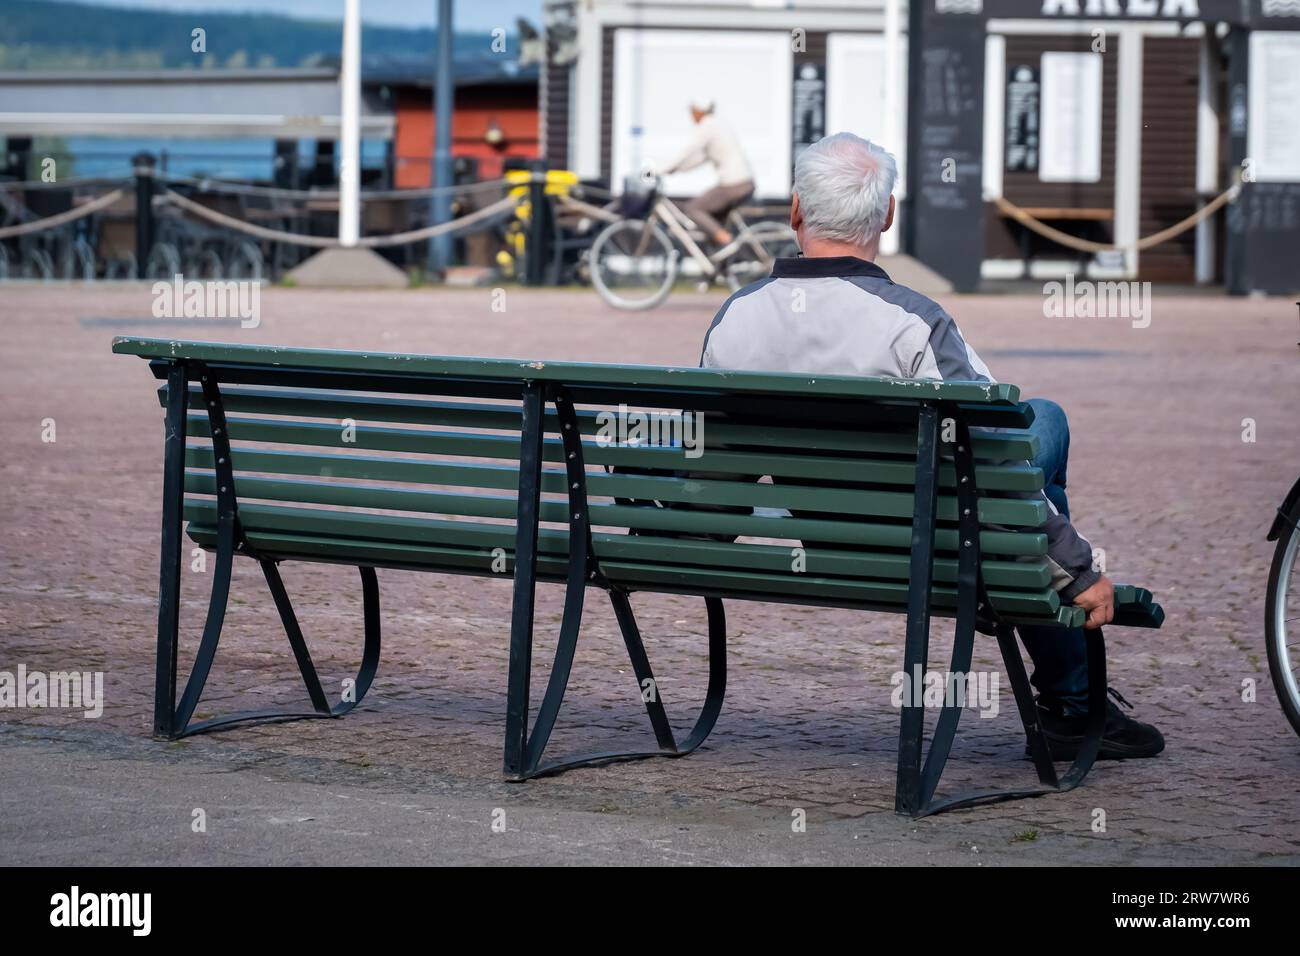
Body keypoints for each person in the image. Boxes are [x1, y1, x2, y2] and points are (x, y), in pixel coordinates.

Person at [699, 131, 1164, 761]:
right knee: (1042, 425)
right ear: (887, 215)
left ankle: (1072, 701)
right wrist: (1078, 569)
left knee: (1036, 432)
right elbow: (997, 455)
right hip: (928, 550)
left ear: (795, 212)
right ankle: (1071, 704)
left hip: (828, 544)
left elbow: (719, 477)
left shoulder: (735, 319)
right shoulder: (913, 322)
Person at [661, 102, 756, 247]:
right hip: (744, 183)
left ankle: (726, 240)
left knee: (694, 208)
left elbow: (688, 151)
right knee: (710, 222)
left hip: (733, 184)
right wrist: (674, 170)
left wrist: (660, 170)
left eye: (692, 111)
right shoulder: (718, 124)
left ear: (700, 110)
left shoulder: (707, 125)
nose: (691, 115)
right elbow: (698, 159)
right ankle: (723, 260)